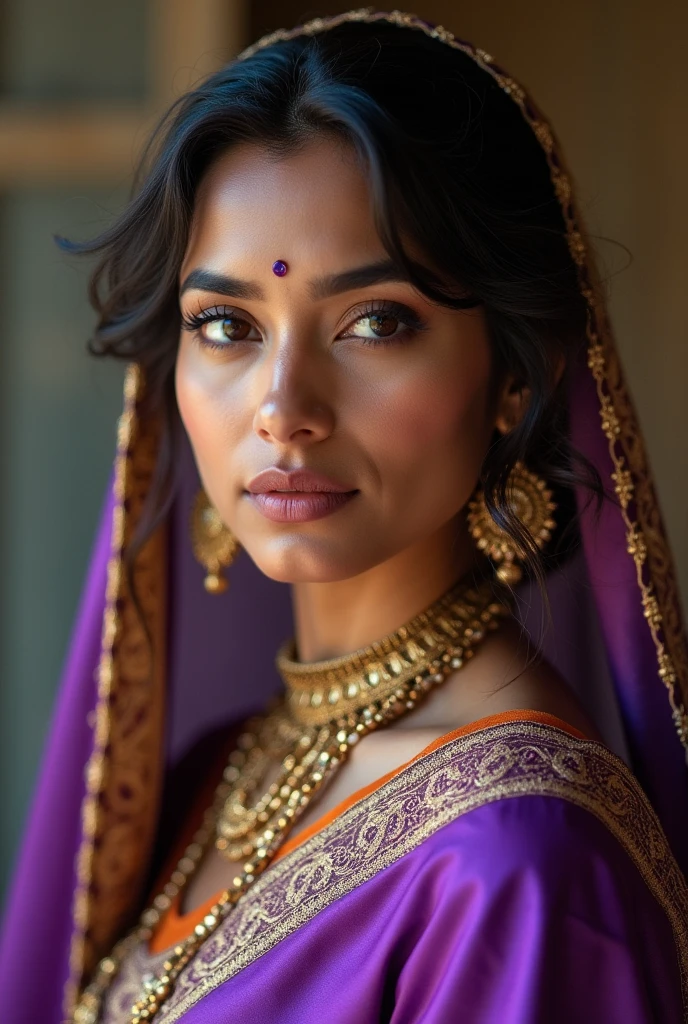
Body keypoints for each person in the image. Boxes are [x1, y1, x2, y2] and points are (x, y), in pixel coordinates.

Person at [1, 10, 687, 1023]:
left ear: (515, 373)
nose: (283, 409)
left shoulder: (519, 870)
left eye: (375, 322)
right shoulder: (213, 771)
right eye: (226, 325)